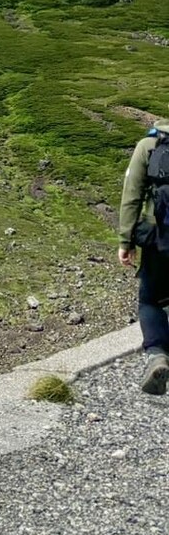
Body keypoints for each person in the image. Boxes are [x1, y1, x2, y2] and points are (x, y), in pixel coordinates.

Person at [119, 126, 169, 393]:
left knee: (150, 299)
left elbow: (132, 196)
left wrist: (125, 241)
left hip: (158, 238)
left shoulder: (148, 146)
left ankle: (157, 354)